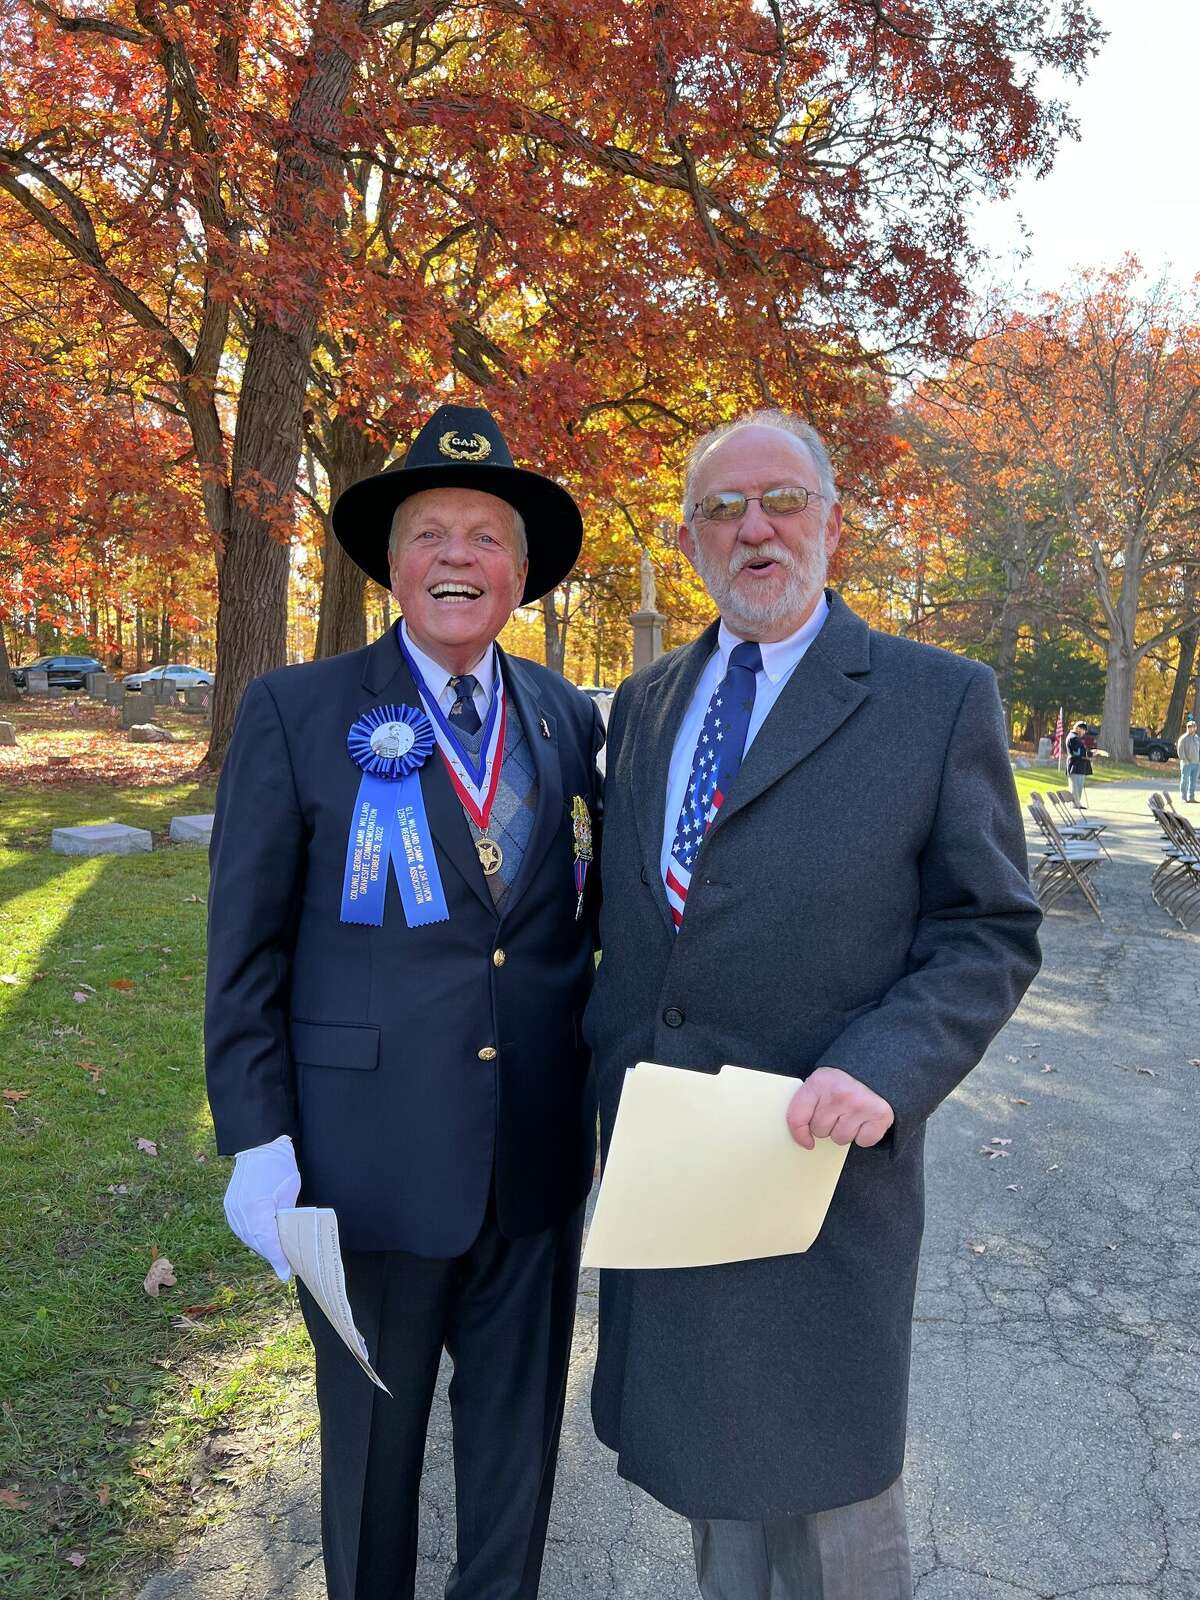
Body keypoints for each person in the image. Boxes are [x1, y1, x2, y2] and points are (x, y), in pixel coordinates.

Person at [585, 411, 1042, 1600]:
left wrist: (882, 1067)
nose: (755, 529)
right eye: (723, 508)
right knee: (715, 1492)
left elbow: (989, 927)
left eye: (782, 501)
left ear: (833, 524)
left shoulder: (936, 698)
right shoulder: (645, 702)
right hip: (672, 1174)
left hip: (821, 1168)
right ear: (691, 539)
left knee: (834, 1515)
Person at [205, 404, 604, 1600]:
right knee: (373, 1463)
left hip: (532, 1163)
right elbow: (244, 949)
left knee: (516, 1461)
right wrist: (257, 1134)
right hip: (367, 1166)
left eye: (486, 538)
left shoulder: (568, 718)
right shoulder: (296, 711)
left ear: (520, 573)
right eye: (431, 533)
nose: (457, 558)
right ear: (392, 563)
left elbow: (581, 924)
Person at [1066, 719, 1093, 807]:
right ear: (1078, 728)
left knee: (1078, 786)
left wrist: (1089, 753)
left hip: (1078, 765)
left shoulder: (1075, 738)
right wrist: (1089, 754)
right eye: (1083, 730)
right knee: (1076, 787)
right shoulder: (1074, 738)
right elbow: (1077, 753)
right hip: (1076, 765)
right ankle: (1075, 804)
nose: (1084, 732)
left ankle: (1076, 803)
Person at [1178, 717, 1199, 803]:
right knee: (1185, 781)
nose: (1190, 728)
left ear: (1195, 728)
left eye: (1192, 727)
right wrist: (1185, 760)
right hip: (1187, 764)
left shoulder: (1197, 738)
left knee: (1193, 781)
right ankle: (1184, 797)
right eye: (1189, 727)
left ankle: (1191, 797)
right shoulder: (1183, 738)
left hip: (1196, 764)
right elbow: (1180, 751)